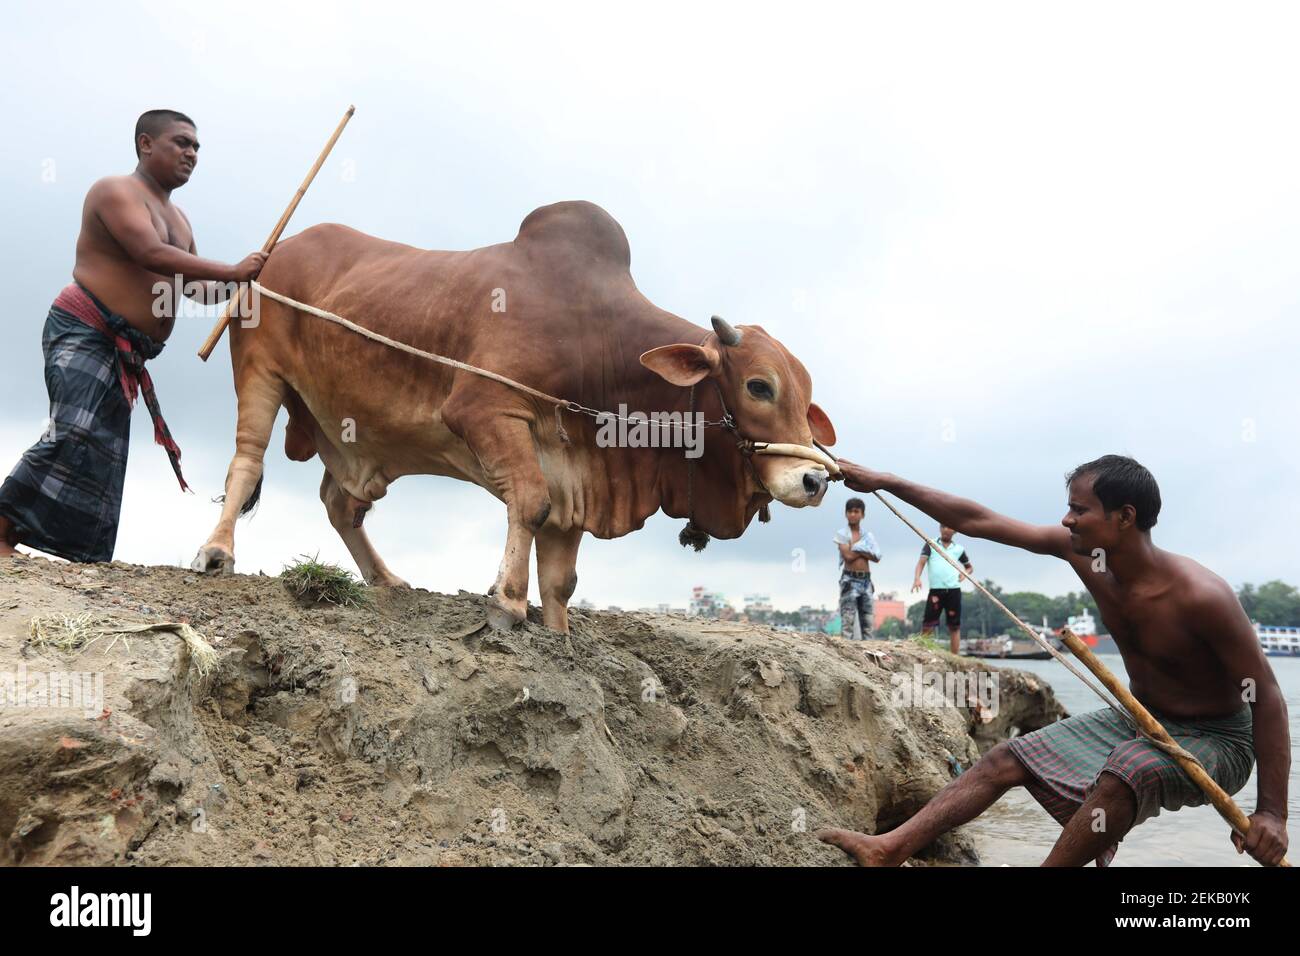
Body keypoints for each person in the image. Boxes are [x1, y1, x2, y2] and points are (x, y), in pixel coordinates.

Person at [817, 454, 1289, 867]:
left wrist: (1272, 813)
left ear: (1125, 517)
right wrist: (886, 482)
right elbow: (976, 518)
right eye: (1068, 508)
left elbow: (1267, 697)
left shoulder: (1201, 596)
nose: (1067, 520)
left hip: (1220, 738)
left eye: (1079, 510)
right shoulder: (1084, 556)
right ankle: (889, 850)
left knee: (1128, 771)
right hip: (1144, 720)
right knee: (1004, 759)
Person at [0, 110, 266, 562]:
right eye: (182, 143)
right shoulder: (114, 192)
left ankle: (80, 556)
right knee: (74, 431)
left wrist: (243, 283)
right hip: (84, 327)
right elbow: (148, 252)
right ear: (146, 144)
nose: (192, 154)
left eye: (197, 147)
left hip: (129, 353)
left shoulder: (179, 219)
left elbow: (196, 288)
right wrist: (233, 269)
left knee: (103, 454)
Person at [913, 525, 973, 654]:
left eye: (950, 527)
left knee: (954, 626)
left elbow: (969, 567)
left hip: (953, 590)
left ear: (955, 530)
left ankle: (955, 656)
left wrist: (964, 574)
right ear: (940, 528)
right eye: (943, 526)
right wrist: (917, 578)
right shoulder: (931, 544)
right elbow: (921, 563)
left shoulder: (959, 549)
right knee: (928, 624)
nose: (946, 529)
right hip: (936, 591)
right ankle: (924, 653)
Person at [834, 497, 882, 640]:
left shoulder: (867, 536)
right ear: (846, 513)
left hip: (866, 580)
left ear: (862, 514)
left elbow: (877, 557)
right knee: (847, 623)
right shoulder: (842, 534)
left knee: (868, 623)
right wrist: (864, 551)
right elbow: (847, 556)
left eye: (856, 511)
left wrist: (857, 549)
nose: (853, 514)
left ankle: (868, 657)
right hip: (849, 579)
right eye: (850, 511)